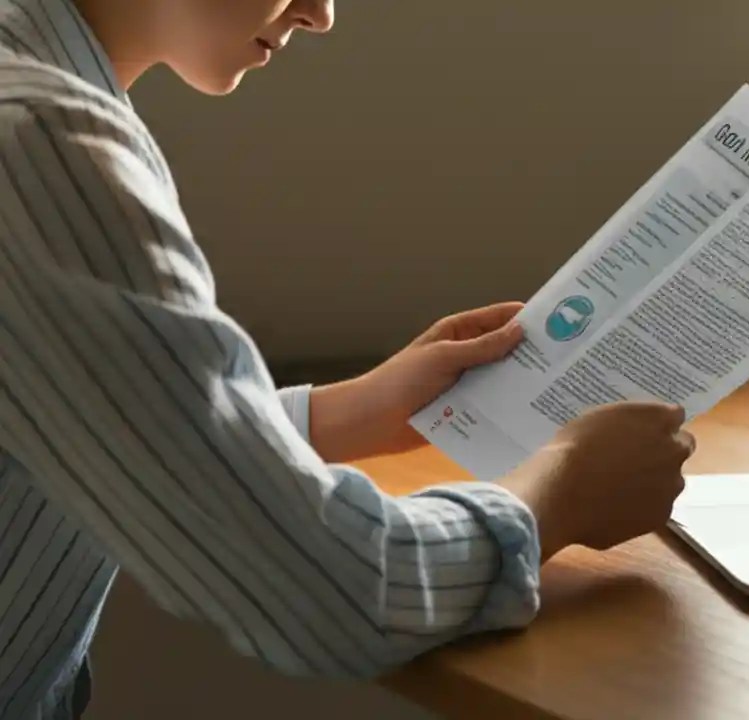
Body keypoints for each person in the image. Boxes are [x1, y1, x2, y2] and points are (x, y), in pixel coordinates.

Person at [0, 0, 696, 717]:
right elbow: (333, 593)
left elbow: (76, 422)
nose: (321, 14)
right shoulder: (38, 147)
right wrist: (564, 485)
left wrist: (349, 412)